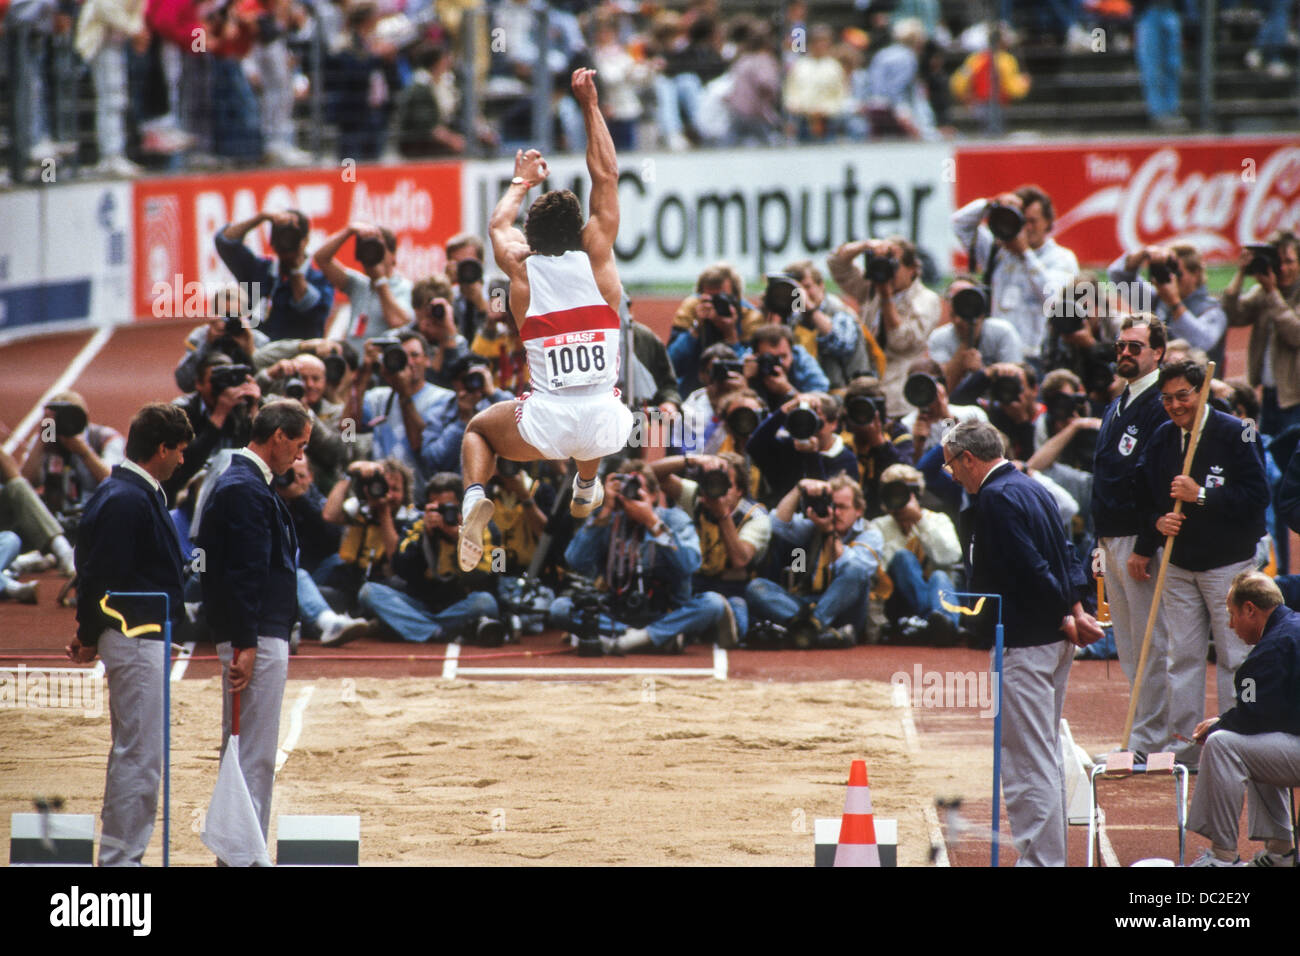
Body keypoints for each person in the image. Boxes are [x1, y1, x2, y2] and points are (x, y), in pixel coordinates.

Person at [457, 68, 635, 571]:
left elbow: (497, 225)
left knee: (479, 431)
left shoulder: (519, 268)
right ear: (581, 230)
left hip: (545, 425)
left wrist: (522, 180)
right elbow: (607, 175)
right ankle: (585, 483)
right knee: (597, 404)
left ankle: (473, 500)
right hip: (606, 421)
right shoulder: (598, 258)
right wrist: (590, 104)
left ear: (531, 236)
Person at [942, 419, 1101, 866]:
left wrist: (1066, 612)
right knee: (1041, 753)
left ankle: (1040, 861)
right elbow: (1068, 553)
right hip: (1048, 639)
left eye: (951, 465)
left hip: (1025, 641)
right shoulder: (1031, 486)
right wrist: (1074, 609)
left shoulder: (995, 498)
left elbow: (1029, 566)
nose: (951, 474)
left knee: (1027, 761)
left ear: (968, 458)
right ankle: (1043, 858)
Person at [66, 403, 194, 866]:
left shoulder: (128, 492)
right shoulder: (127, 499)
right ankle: (121, 860)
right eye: (179, 450)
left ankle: (124, 855)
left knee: (138, 751)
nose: (183, 460)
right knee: (140, 755)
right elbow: (99, 578)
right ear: (162, 448)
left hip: (141, 635)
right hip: (135, 637)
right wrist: (87, 634)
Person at [1130, 361, 1269, 766]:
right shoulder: (1161, 436)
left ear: (1202, 391)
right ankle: (1184, 745)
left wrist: (1202, 496)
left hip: (1229, 566)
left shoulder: (1240, 430)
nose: (1175, 405)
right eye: (1167, 398)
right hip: (1178, 564)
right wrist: (1155, 523)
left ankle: (1236, 740)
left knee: (1236, 656)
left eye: (1182, 396)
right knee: (1183, 657)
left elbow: (1257, 497)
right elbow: (1141, 491)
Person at [197, 399, 312, 855]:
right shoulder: (246, 489)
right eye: (298, 445)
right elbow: (245, 573)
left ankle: (242, 851)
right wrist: (245, 643)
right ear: (278, 436)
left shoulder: (244, 484)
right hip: (257, 637)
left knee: (249, 751)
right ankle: (243, 854)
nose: (300, 457)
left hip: (257, 633)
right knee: (253, 755)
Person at [1089, 314, 1172, 759]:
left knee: (1148, 642)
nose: (1125, 353)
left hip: (1138, 542)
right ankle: (1142, 734)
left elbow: (1154, 481)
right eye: (1121, 346)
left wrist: (1143, 544)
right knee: (1126, 640)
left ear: (1158, 352)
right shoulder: (1119, 401)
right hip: (1111, 536)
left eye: (1135, 347)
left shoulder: (1159, 404)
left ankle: (1151, 741)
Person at [1186, 571, 1300, 867]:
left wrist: (1219, 725)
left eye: (1232, 614)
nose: (1230, 624)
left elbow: (1253, 717)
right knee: (1253, 743)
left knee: (1224, 745)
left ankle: (1222, 857)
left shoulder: (1270, 649)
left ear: (1250, 609)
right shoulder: (1293, 627)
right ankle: (1281, 852)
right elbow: (1267, 717)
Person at [744, 474, 883, 647]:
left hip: (847, 612)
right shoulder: (815, 525)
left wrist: (829, 532)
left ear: (859, 510)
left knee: (857, 569)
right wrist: (799, 488)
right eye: (832, 506)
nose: (836, 513)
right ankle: (821, 634)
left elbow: (853, 571)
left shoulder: (871, 534)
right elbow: (778, 525)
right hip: (809, 603)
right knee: (756, 587)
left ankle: (811, 627)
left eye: (842, 507)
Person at [951, 185, 1079, 366]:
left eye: (1032, 221)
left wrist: (1025, 253)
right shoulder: (998, 252)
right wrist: (991, 204)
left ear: (1048, 222)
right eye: (1021, 220)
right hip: (997, 355)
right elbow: (959, 223)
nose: (1026, 228)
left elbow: (1054, 301)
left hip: (1036, 356)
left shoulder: (1061, 258)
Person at [826, 237, 940, 417]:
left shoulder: (927, 300)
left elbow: (901, 341)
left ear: (913, 269)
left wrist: (886, 298)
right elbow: (836, 264)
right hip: (864, 384)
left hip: (899, 394)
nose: (889, 271)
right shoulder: (872, 287)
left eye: (893, 265)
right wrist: (866, 245)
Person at [214, 209, 334, 341]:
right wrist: (261, 217)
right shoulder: (259, 270)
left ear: (305, 240)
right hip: (256, 355)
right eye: (280, 235)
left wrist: (295, 270)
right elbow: (225, 243)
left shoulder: (321, 280)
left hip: (299, 357)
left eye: (291, 236)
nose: (285, 240)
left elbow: (309, 310)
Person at [1223, 231, 1300, 437]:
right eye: (1278, 262)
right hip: (1269, 393)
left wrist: (1272, 293)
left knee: (1290, 458)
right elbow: (1233, 315)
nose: (1283, 268)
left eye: (1289, 261)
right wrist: (1241, 272)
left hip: (1295, 397)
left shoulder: (1271, 292)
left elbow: (1295, 334)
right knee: (1268, 454)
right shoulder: (1263, 291)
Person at [1106, 243, 1227, 369]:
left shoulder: (1212, 310)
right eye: (1168, 272)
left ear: (1195, 274)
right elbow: (1118, 276)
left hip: (1198, 384)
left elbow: (1201, 343)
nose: (1172, 278)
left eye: (1177, 274)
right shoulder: (1158, 299)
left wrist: (1174, 303)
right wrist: (1144, 254)